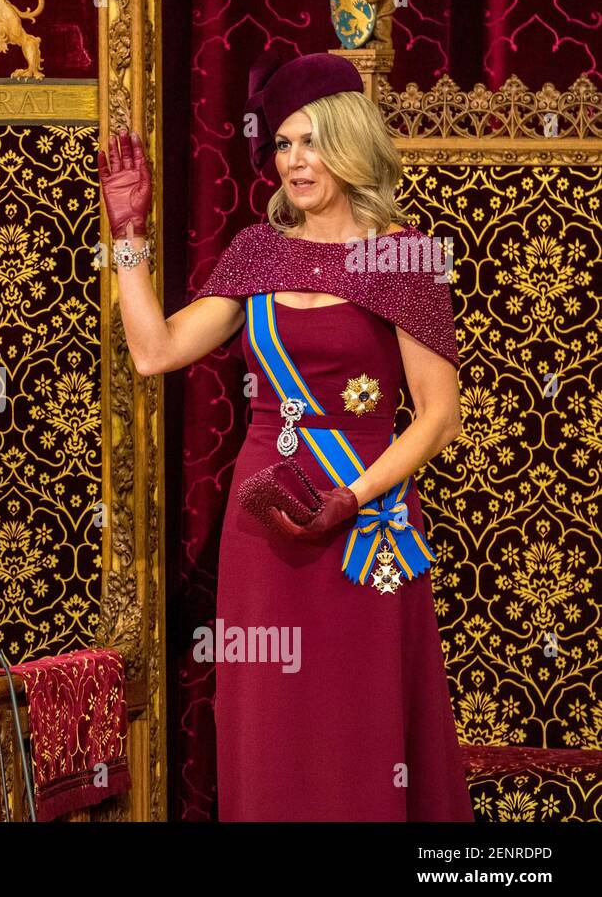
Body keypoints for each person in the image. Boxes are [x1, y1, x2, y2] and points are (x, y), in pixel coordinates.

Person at [97, 46, 474, 821]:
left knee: (357, 723)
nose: (295, 162)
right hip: (265, 523)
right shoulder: (258, 252)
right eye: (282, 144)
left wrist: (351, 497)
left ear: (349, 138)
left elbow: (439, 415)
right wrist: (128, 236)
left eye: (311, 140)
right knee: (270, 723)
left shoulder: (403, 256)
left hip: (364, 521)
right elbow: (154, 352)